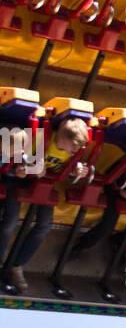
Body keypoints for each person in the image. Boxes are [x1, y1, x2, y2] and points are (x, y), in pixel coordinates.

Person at [0, 117, 91, 291]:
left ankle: (17, 266)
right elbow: (16, 166)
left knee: (44, 225)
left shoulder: (72, 153)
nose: (76, 151)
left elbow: (65, 173)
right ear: (63, 138)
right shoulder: (42, 139)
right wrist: (27, 169)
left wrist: (76, 172)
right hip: (19, 180)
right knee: (10, 221)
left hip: (44, 185)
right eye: (74, 146)